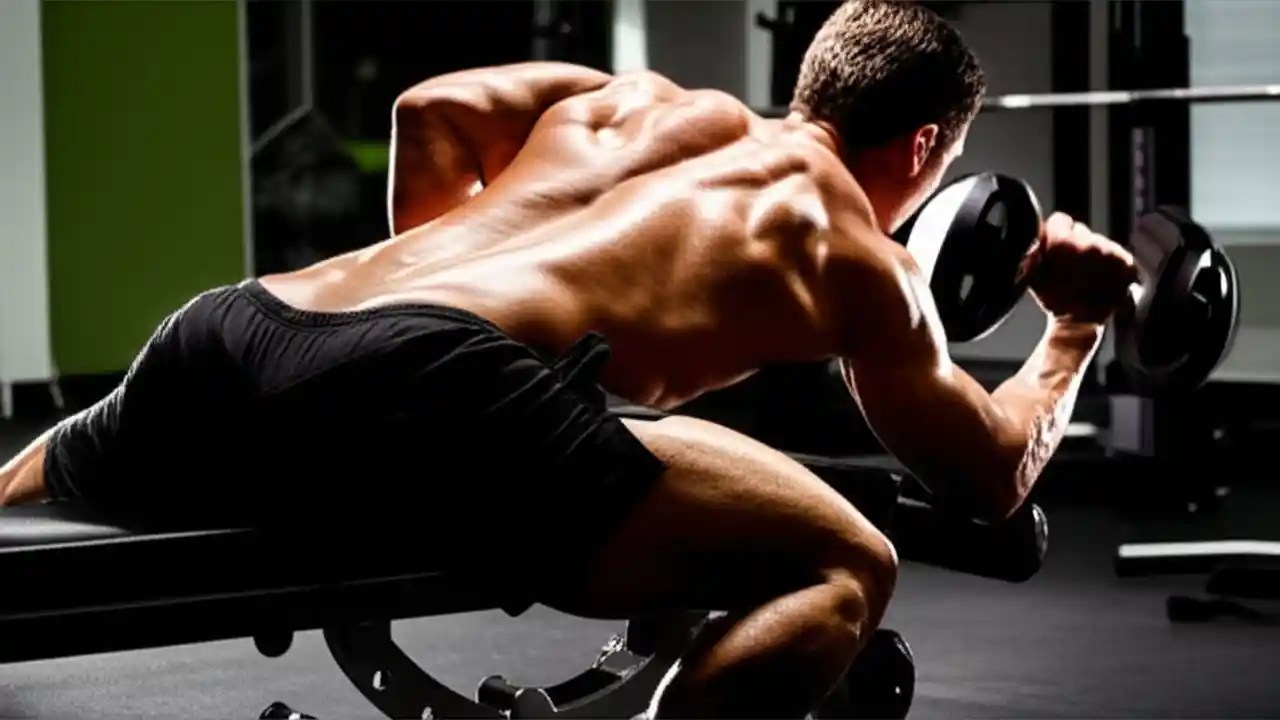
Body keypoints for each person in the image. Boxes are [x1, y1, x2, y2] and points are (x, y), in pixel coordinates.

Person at [0, 1, 1136, 716]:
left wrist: (419, 313)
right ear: (925, 145)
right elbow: (985, 475)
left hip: (244, 323)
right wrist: (1074, 324)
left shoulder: (630, 104)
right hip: (440, 381)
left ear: (813, 85)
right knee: (848, 563)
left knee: (33, 487)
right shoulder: (855, 254)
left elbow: (430, 107)